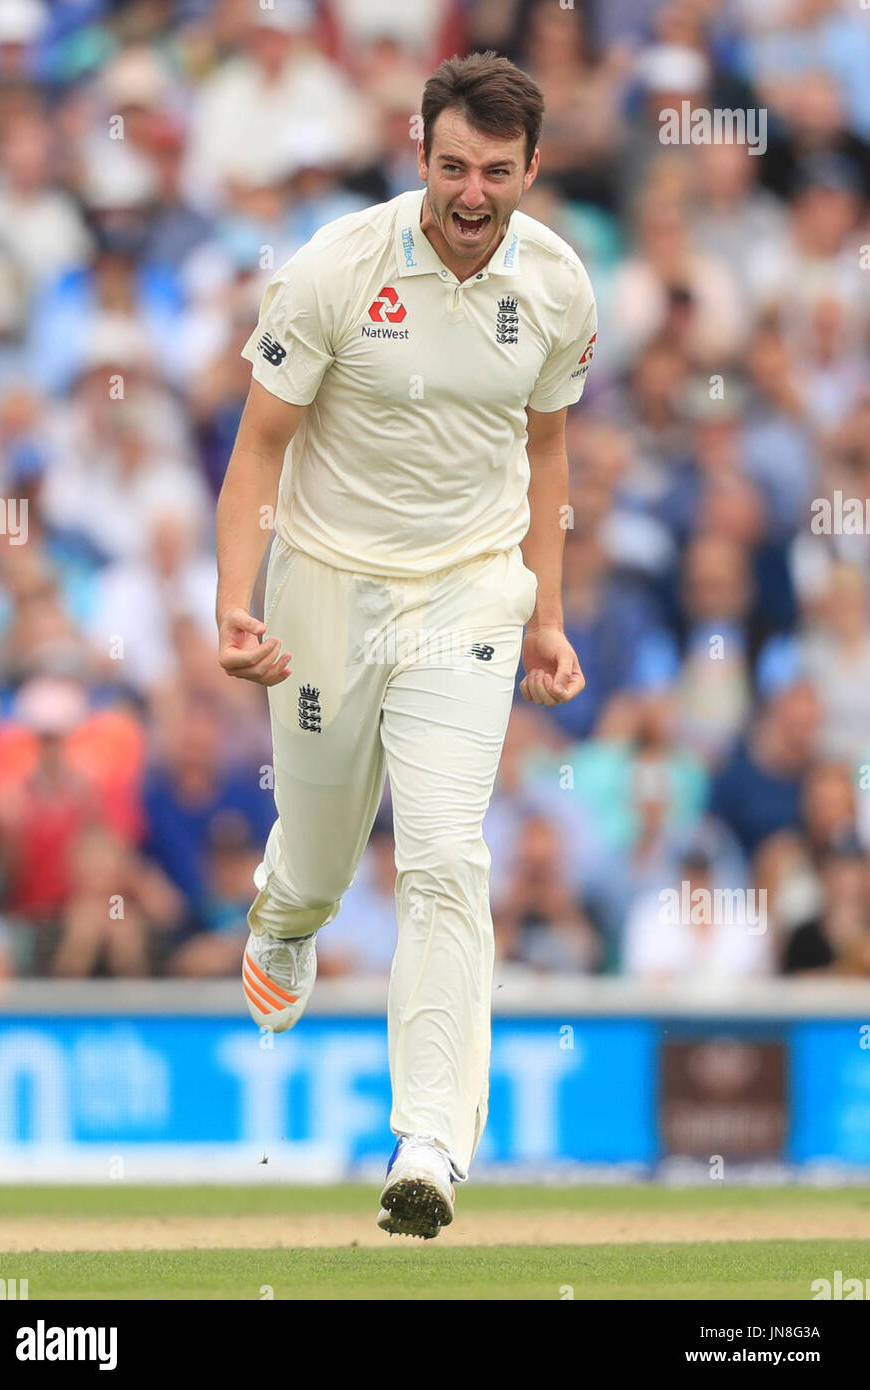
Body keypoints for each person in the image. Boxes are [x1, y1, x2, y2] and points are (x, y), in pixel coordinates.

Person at [215, 52, 596, 1238]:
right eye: (449, 167)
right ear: (415, 151)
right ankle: (289, 904)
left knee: (442, 854)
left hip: (470, 593)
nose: (470, 194)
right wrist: (237, 601)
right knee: (328, 856)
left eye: (495, 170)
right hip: (327, 585)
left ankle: (428, 1141)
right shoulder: (336, 266)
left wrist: (545, 613)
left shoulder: (560, 287)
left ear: (531, 168)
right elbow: (260, 448)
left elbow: (545, 455)